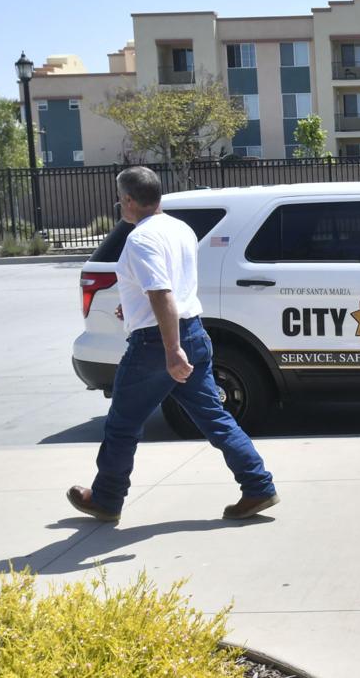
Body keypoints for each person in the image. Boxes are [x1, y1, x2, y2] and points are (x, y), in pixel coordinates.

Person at [68, 166, 279, 522]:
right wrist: (134, 304)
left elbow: (162, 292)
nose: (120, 204)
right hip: (194, 332)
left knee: (122, 424)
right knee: (215, 419)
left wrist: (171, 350)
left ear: (129, 200)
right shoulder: (180, 228)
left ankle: (106, 499)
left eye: (120, 198)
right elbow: (166, 285)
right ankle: (258, 486)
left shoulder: (140, 238)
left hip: (157, 344)